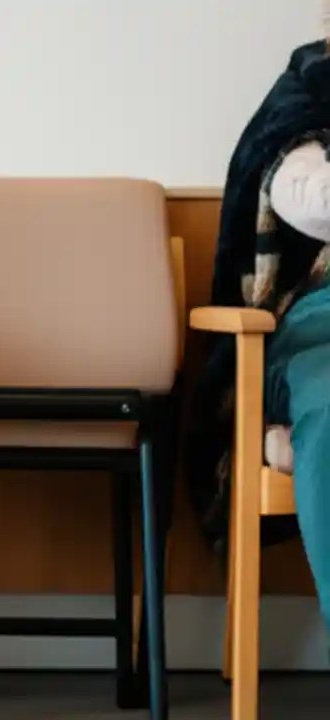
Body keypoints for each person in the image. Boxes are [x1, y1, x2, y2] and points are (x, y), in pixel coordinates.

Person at [186, 32, 330, 654]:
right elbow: (304, 197)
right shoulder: (303, 95)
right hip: (315, 322)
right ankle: (292, 433)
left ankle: (292, 441)